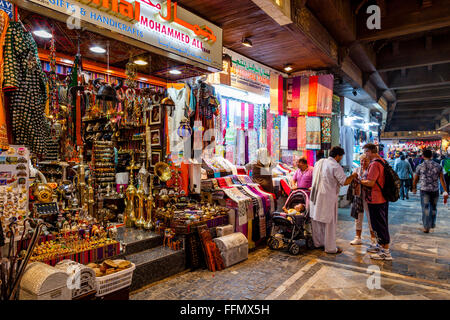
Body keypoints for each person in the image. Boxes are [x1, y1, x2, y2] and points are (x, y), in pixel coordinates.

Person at [310, 146, 357, 254]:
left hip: (316, 195)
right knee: (329, 223)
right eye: (340, 157)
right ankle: (330, 248)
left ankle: (318, 243)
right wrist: (353, 175)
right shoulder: (335, 166)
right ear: (337, 156)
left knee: (317, 221)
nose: (341, 159)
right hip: (327, 197)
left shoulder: (319, 163)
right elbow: (344, 181)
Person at [360, 143, 392, 260]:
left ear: (369, 151)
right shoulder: (382, 161)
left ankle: (386, 252)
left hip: (376, 198)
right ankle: (380, 246)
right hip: (381, 197)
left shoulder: (374, 164)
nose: (365, 155)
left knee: (380, 225)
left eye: (365, 152)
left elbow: (371, 182)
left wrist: (360, 181)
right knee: (379, 224)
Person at [412, 149, 449, 233]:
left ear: (423, 156)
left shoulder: (420, 166)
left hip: (424, 190)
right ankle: (432, 223)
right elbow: (442, 180)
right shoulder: (438, 166)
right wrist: (445, 191)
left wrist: (414, 188)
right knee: (433, 207)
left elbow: (415, 179)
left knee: (425, 208)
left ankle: (426, 226)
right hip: (435, 190)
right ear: (431, 156)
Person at [350, 154, 376, 246]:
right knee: (358, 217)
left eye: (365, 160)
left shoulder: (371, 170)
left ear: (369, 161)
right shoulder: (356, 170)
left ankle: (373, 239)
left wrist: (361, 181)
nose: (363, 162)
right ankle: (358, 237)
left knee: (371, 217)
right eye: (362, 160)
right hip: (358, 196)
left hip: (369, 197)